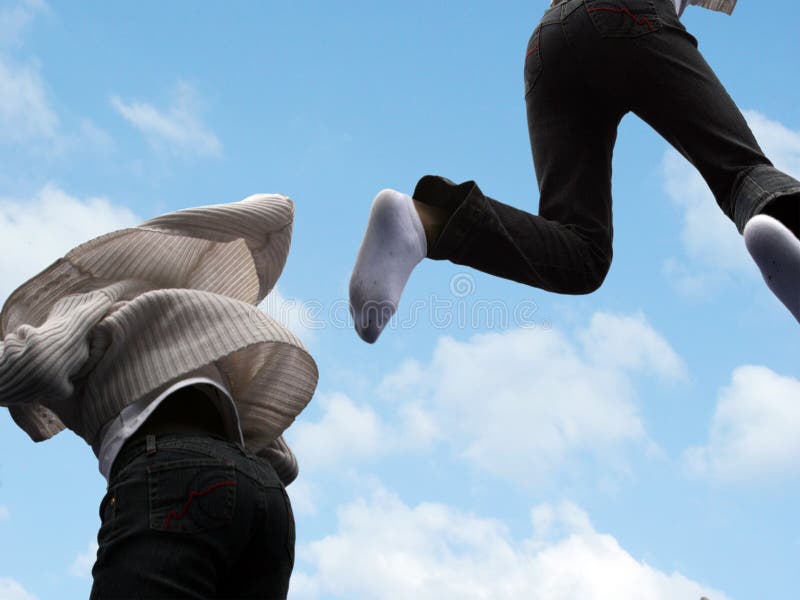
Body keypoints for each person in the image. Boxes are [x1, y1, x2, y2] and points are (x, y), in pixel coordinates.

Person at [349, 0, 800, 343]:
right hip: (630, 17)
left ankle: (425, 221)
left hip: (548, 46)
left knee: (581, 254)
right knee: (741, 172)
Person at [0, 194, 318, 599]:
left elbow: (37, 363)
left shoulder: (91, 299)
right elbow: (279, 461)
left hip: (176, 476)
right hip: (268, 502)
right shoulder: (184, 336)